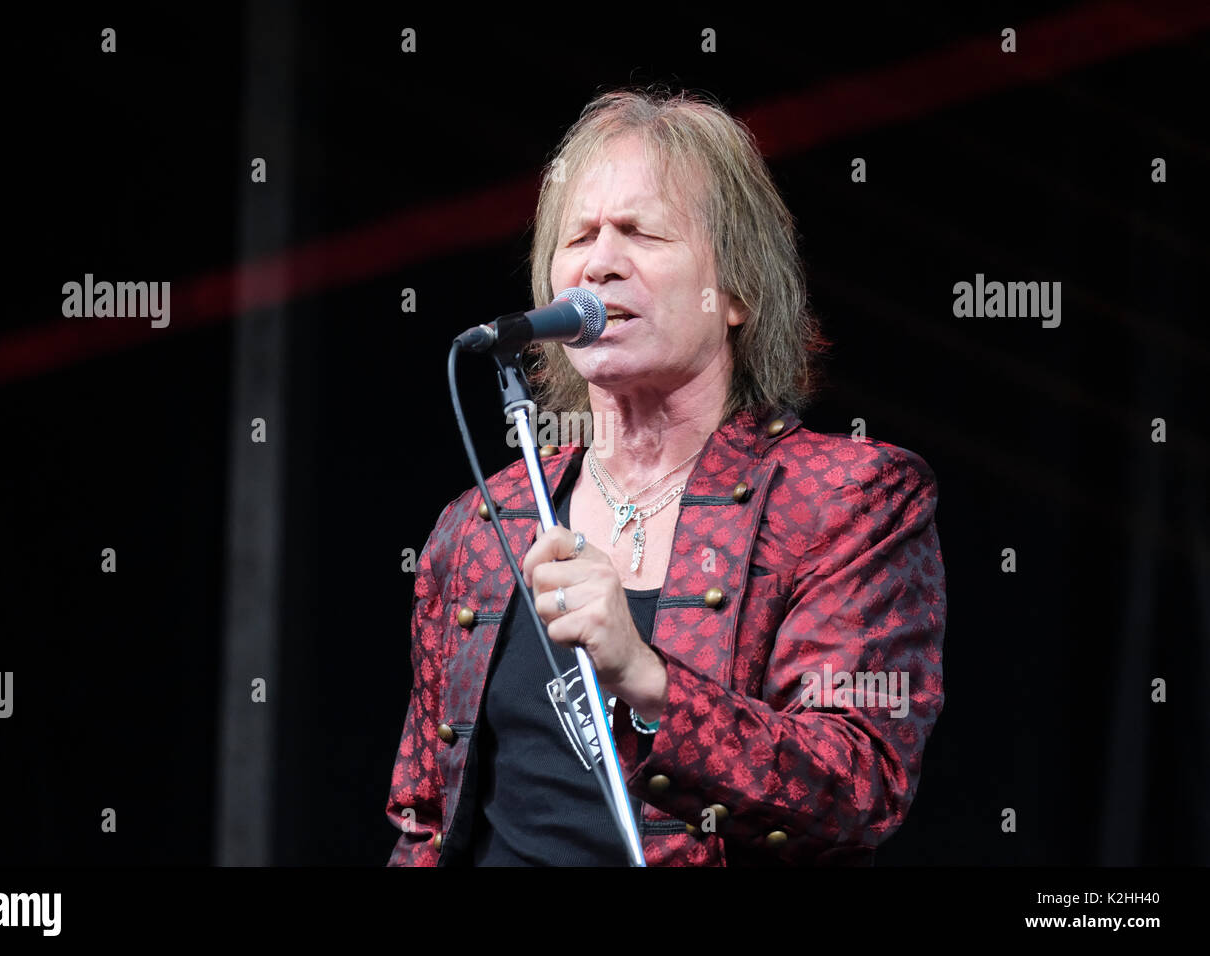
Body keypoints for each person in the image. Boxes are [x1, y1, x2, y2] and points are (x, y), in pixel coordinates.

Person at [385, 88, 947, 866]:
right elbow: (424, 817)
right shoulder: (484, 521)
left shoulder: (846, 499)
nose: (600, 263)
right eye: (578, 236)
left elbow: (855, 786)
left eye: (641, 233)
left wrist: (646, 677)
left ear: (738, 293)